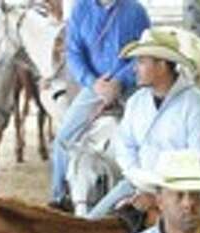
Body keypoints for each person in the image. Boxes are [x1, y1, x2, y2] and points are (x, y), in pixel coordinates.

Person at [88, 27, 200, 219]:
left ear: (162, 65)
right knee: (91, 224)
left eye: (141, 62)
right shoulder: (136, 102)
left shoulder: (196, 106)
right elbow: (125, 146)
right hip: (136, 186)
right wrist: (139, 180)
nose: (134, 68)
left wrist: (159, 196)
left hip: (187, 194)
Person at [49, 0, 150, 209]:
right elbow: (74, 53)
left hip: (130, 86)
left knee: (148, 138)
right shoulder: (80, 9)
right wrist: (93, 83)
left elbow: (144, 53)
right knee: (62, 141)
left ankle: (146, 192)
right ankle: (59, 198)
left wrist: (119, 82)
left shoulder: (136, 11)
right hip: (94, 87)